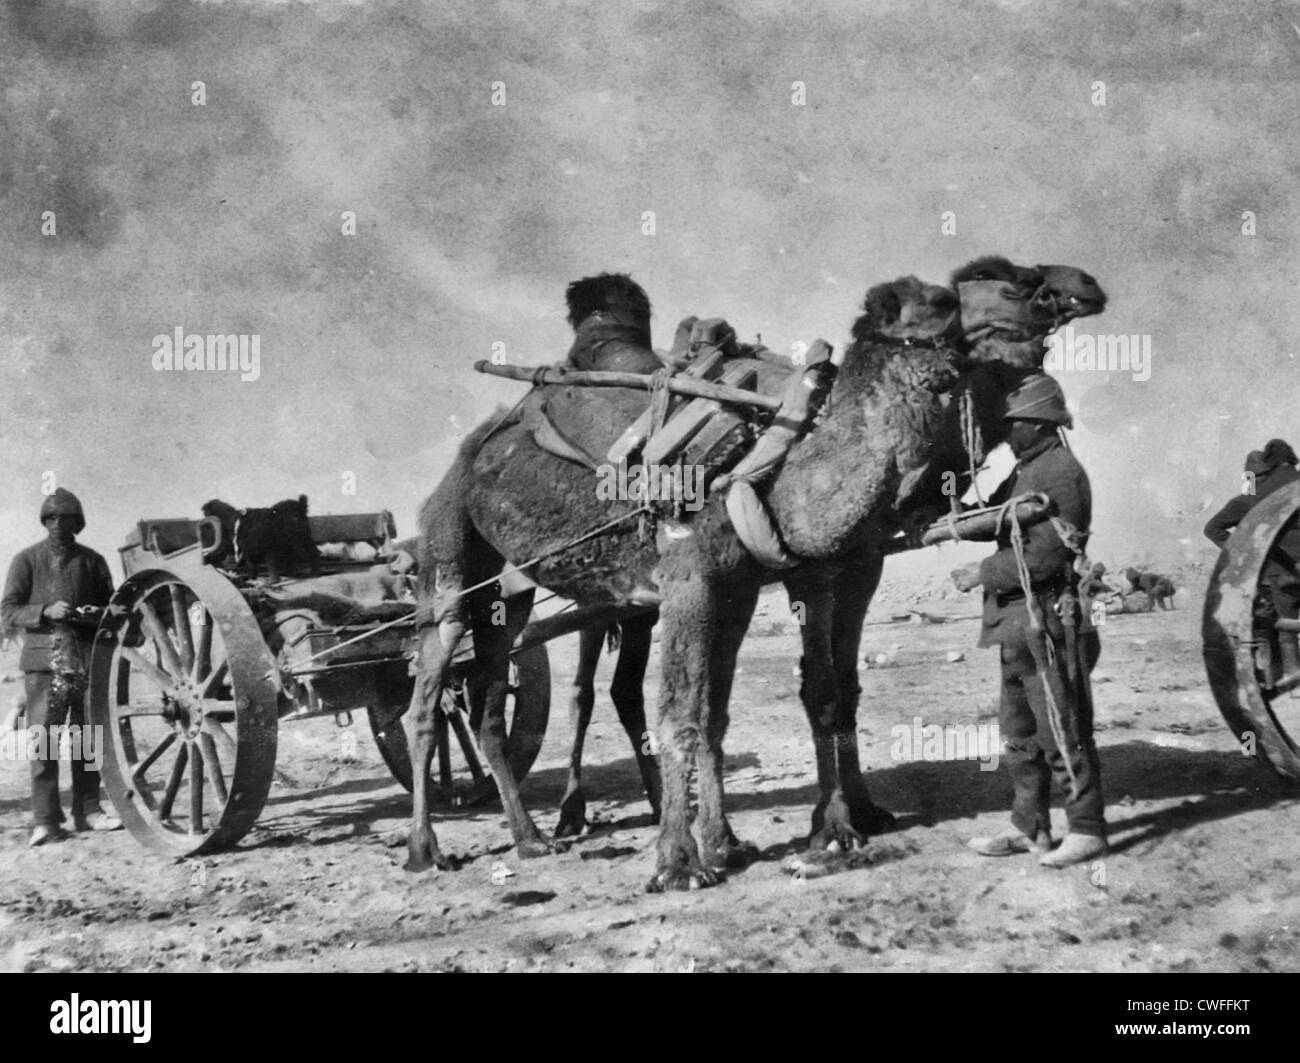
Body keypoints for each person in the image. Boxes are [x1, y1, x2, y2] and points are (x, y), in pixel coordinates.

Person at [950, 374, 1106, 867]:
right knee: (1019, 733)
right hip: (1017, 621)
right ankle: (1030, 827)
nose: (1007, 433)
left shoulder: (1059, 471)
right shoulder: (1027, 470)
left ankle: (1086, 828)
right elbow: (993, 518)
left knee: (1061, 728)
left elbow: (1048, 554)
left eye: (1014, 424)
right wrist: (949, 500)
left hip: (1050, 621)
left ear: (1039, 425)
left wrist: (982, 573)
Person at [1, 488, 122, 846]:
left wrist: (94, 614)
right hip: (43, 663)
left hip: (84, 660)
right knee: (45, 742)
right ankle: (46, 820)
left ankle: (88, 811)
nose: (58, 524)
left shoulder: (93, 561)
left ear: (77, 523)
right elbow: (7, 610)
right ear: (44, 521)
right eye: (52, 518)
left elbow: (112, 609)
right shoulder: (26, 560)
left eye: (66, 518)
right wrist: (44, 612)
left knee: (87, 738)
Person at [1204, 439, 1300, 677]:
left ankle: (1279, 674)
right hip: (1274, 575)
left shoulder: (1246, 499)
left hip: (1270, 575)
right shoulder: (1278, 492)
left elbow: (1212, 529)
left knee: (1271, 629)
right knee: (1272, 630)